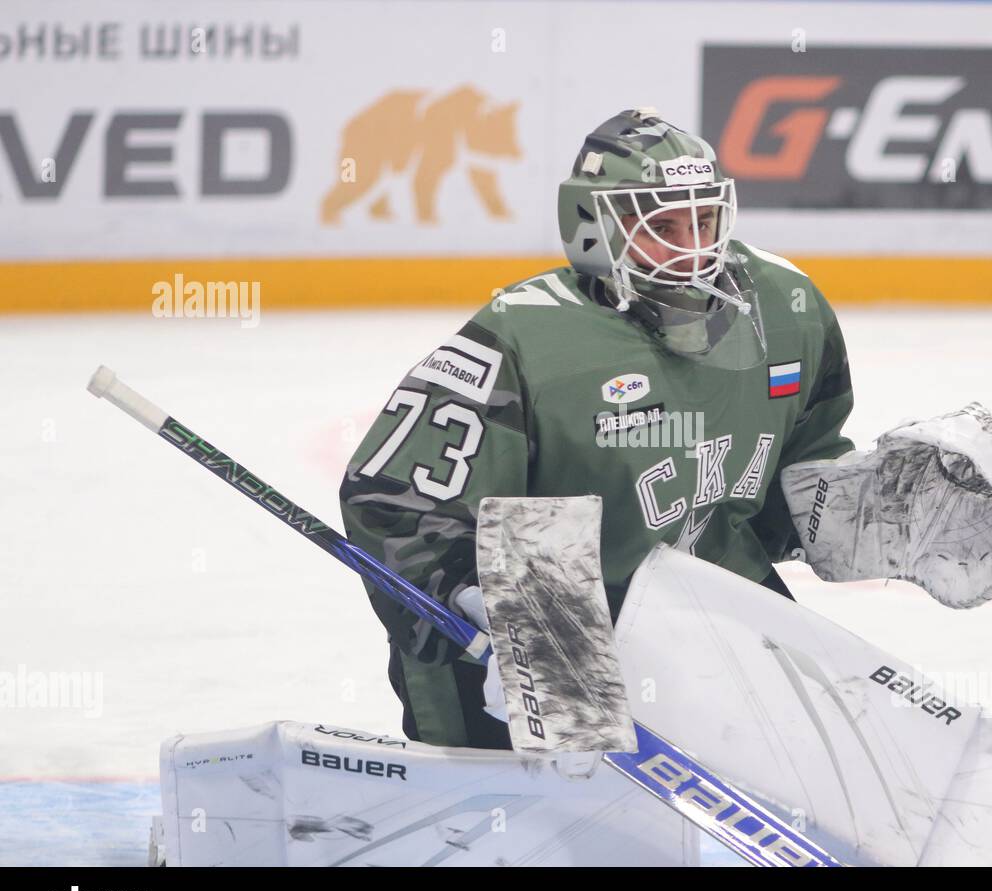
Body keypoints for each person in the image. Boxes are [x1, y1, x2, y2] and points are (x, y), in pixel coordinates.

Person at [340, 108, 855, 749]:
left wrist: (869, 507)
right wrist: (486, 617)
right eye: (661, 227)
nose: (694, 248)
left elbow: (795, 474)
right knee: (535, 816)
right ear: (594, 227)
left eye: (704, 221)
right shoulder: (525, 336)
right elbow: (393, 502)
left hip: (704, 628)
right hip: (543, 637)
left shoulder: (786, 310)